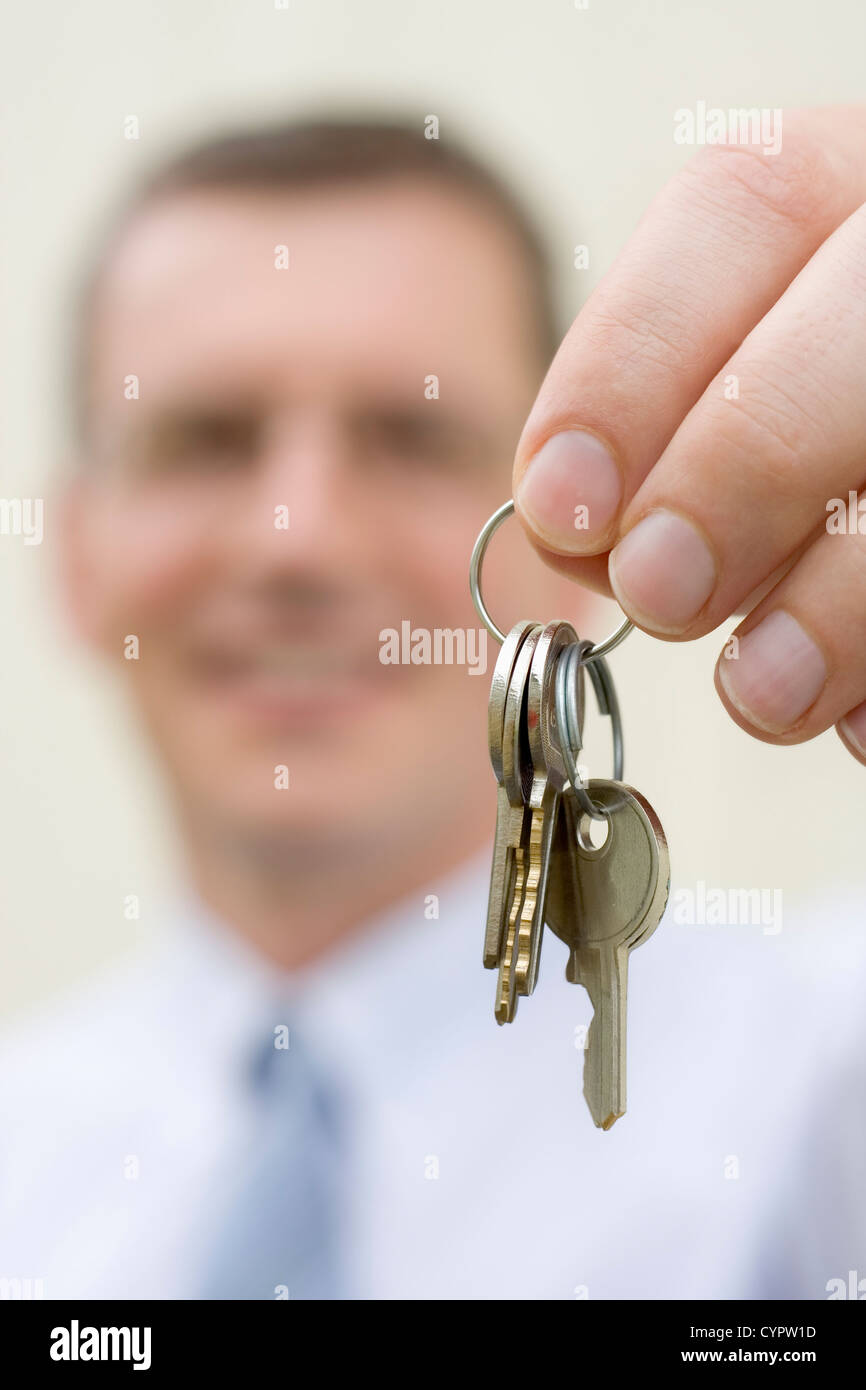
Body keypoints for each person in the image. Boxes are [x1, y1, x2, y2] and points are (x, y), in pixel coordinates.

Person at [0, 112, 863, 1301]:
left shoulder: (822, 1081)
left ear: (571, 540)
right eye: (204, 442)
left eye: (408, 437)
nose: (294, 539)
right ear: (76, 557)